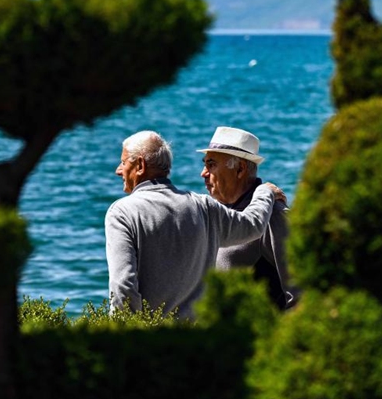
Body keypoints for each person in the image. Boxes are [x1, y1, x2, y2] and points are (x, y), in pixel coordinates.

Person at [105, 130, 282, 319]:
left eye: (124, 162)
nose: (118, 170)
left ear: (140, 165)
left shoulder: (122, 213)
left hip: (153, 341)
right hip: (198, 339)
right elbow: (253, 225)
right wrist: (265, 193)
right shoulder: (204, 206)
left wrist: (128, 337)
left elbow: (123, 286)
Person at [198, 126, 299, 310]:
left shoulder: (274, 215)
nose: (203, 173)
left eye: (211, 164)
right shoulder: (219, 213)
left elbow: (299, 294)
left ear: (240, 169)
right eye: (205, 164)